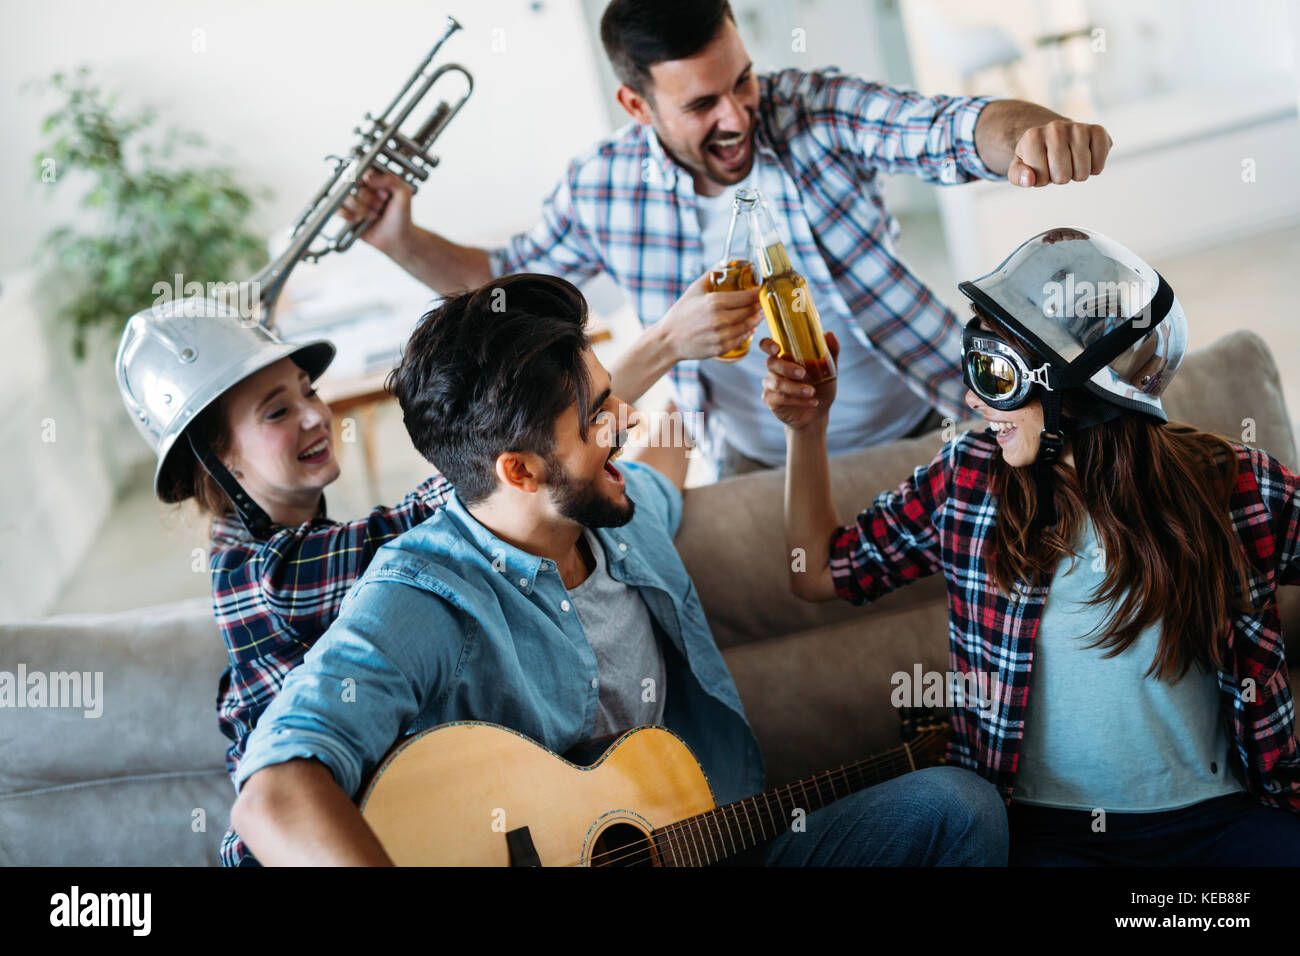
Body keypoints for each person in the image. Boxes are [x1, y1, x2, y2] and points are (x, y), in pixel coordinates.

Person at [228, 273, 1009, 866]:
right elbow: (272, 794)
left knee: (958, 805)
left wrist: (793, 415)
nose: (624, 419)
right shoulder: (422, 595)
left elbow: (663, 461)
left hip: (711, 844)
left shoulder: (622, 517)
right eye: (599, 416)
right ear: (521, 472)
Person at [338, 0, 1113, 479]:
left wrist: (1030, 131)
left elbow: (948, 127)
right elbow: (503, 286)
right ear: (635, 106)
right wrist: (398, 237)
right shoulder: (602, 186)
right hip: (758, 462)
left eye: (741, 79)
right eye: (702, 103)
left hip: (931, 416)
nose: (739, 115)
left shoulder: (812, 109)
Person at [762, 227, 1300, 865]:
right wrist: (808, 426)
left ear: (1077, 387)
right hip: (1050, 837)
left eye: (995, 372)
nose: (973, 397)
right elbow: (817, 571)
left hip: (1220, 822)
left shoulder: (1227, 482)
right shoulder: (967, 480)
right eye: (974, 361)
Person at [116, 298, 458, 866]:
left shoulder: (297, 544)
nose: (314, 415)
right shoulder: (263, 575)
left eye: (309, 390)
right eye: (277, 412)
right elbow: (417, 526)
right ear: (219, 461)